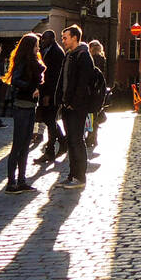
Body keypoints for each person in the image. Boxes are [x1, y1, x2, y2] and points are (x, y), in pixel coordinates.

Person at [1, 33, 44, 193]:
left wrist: (38, 89)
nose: (38, 48)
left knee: (25, 145)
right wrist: (30, 88)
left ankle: (22, 180)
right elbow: (15, 81)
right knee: (18, 144)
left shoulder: (34, 61)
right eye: (36, 45)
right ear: (29, 46)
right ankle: (11, 183)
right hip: (22, 106)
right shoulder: (22, 61)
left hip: (31, 106)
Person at [54, 24, 96, 189]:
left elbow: (82, 84)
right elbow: (62, 80)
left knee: (77, 141)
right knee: (71, 141)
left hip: (77, 108)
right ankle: (72, 175)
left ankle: (80, 177)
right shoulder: (69, 55)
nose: (63, 40)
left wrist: (73, 103)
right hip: (67, 106)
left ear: (74, 38)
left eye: (65, 38)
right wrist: (60, 100)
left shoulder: (83, 56)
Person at [36, 29, 66, 164]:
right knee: (48, 120)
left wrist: (48, 94)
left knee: (50, 119)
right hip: (45, 91)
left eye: (45, 39)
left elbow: (54, 76)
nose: (43, 41)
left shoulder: (57, 53)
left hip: (52, 93)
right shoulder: (46, 50)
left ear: (52, 39)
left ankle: (50, 151)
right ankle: (61, 142)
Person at [86, 38, 109, 152]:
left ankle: (91, 138)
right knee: (93, 115)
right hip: (99, 91)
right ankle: (93, 137)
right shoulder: (102, 59)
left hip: (92, 91)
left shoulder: (91, 59)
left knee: (90, 116)